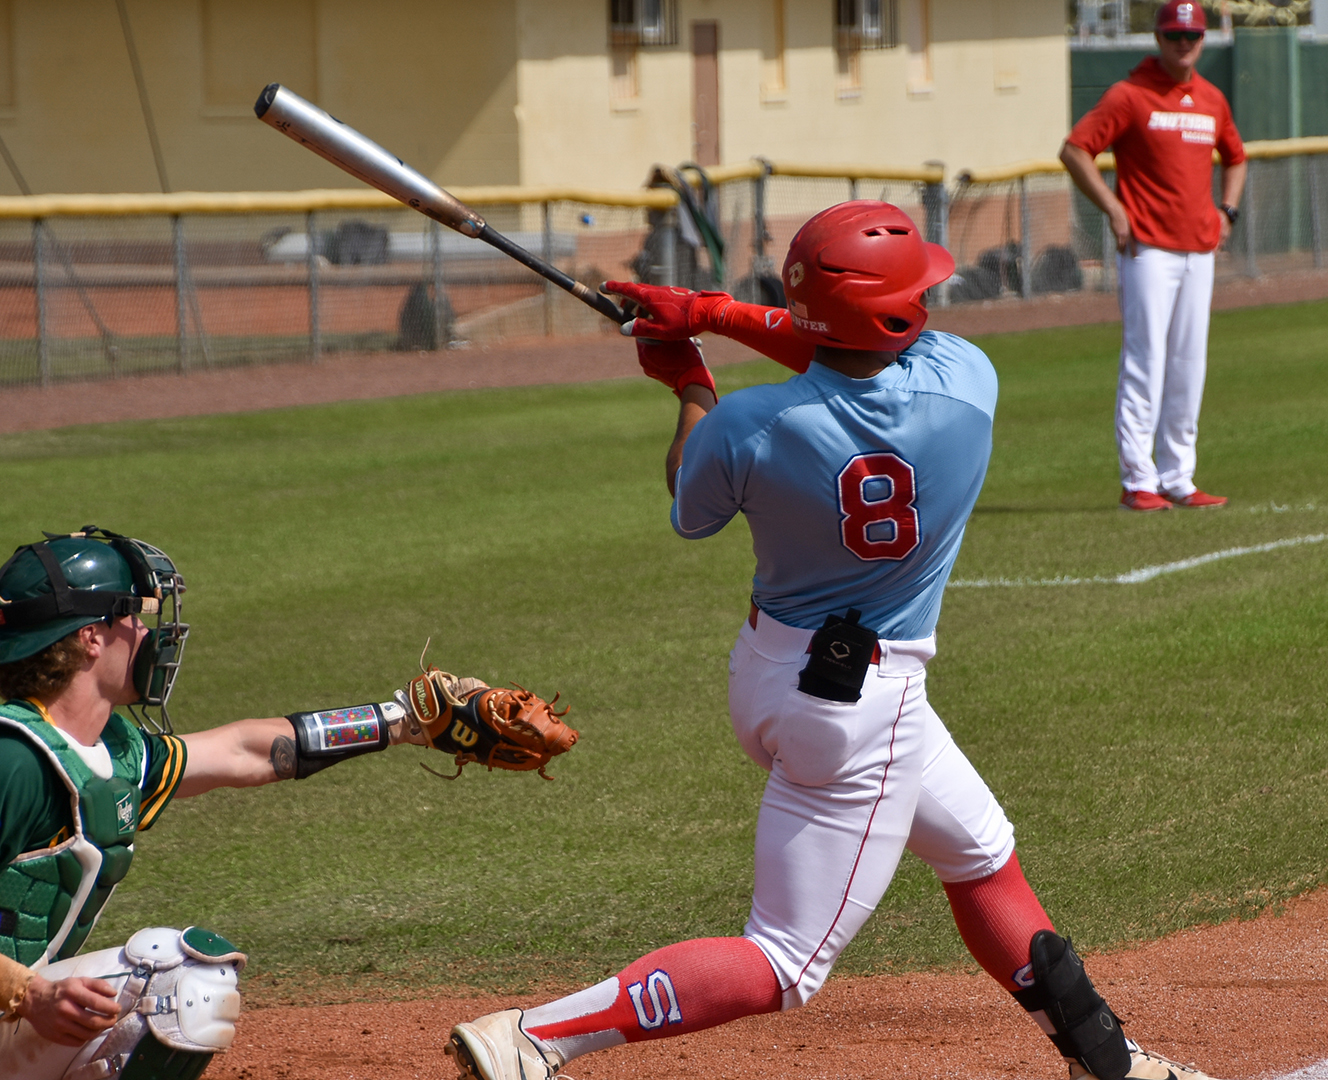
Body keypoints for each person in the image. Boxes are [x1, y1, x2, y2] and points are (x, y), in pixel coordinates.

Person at [443, 202, 1221, 1080]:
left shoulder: (753, 425)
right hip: (863, 707)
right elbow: (845, 347)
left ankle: (1109, 1063)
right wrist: (707, 316)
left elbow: (691, 506)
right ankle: (535, 1037)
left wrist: (690, 376)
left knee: (980, 854)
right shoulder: (969, 381)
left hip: (779, 678)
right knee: (783, 962)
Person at [0, 526, 557, 1080]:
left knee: (182, 986)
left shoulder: (112, 753)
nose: (148, 635)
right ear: (89, 637)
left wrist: (404, 722)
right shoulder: (15, 760)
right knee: (173, 978)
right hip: (17, 1001)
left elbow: (247, 751)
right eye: (133, 618)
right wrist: (29, 994)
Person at [1061, 0, 1247, 513]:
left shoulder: (1211, 98)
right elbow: (1076, 150)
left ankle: (1178, 477)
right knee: (1146, 361)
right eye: (1173, 36)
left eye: (1191, 37)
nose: (1182, 45)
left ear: (1202, 39)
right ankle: (1138, 479)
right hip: (1148, 249)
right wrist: (1115, 210)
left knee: (1189, 363)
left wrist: (1227, 212)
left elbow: (1236, 156)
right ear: (1158, 39)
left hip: (1199, 248)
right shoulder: (1129, 95)